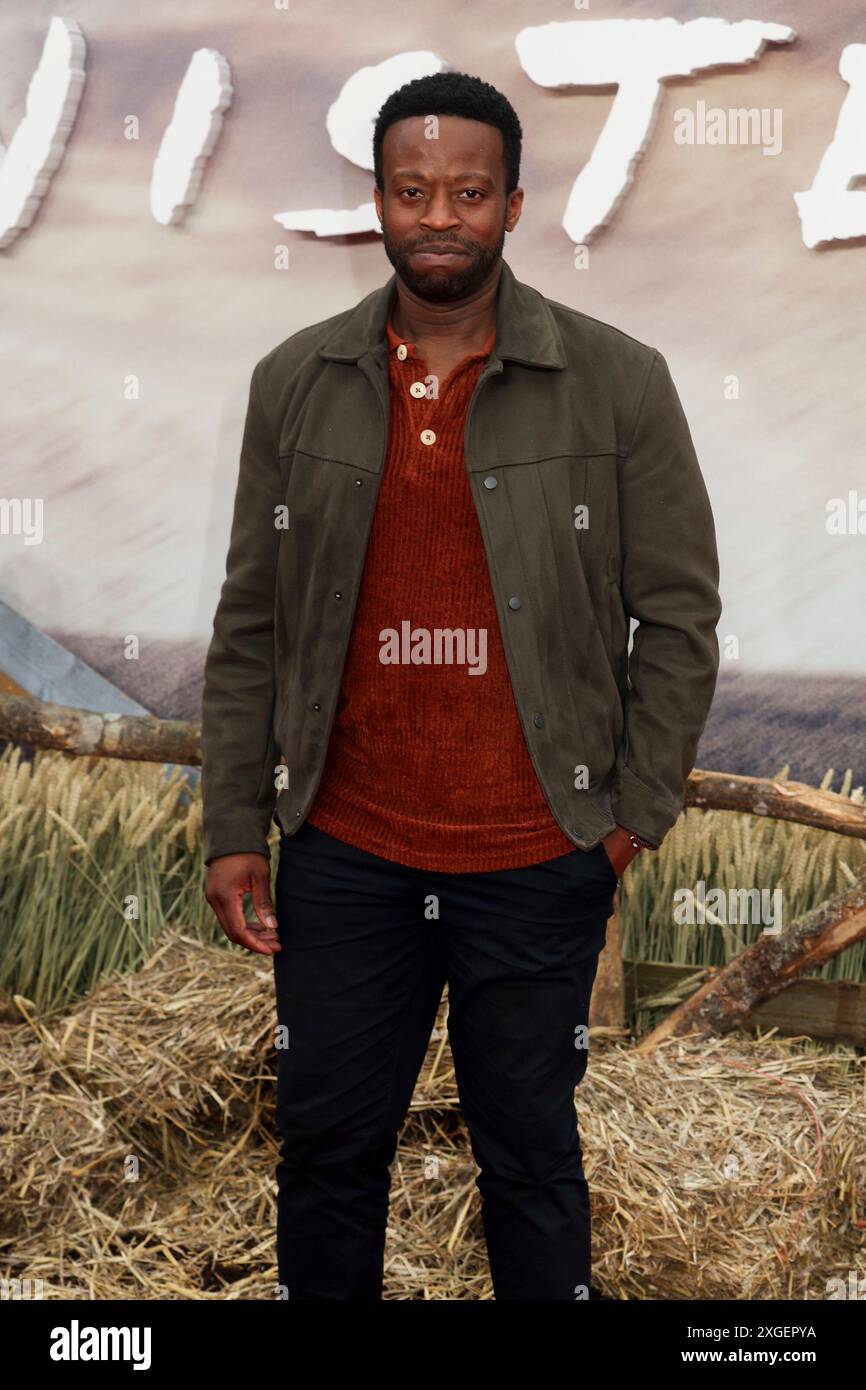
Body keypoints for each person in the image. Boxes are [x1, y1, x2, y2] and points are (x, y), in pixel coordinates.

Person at [201, 70, 722, 1300]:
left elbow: (682, 615)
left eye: (468, 192)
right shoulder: (295, 380)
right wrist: (237, 826)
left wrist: (626, 816)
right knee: (329, 1149)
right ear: (374, 202)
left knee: (529, 1158)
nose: (439, 214)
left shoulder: (616, 380)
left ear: (513, 205)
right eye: (411, 188)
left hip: (539, 854)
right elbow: (252, 622)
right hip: (345, 851)